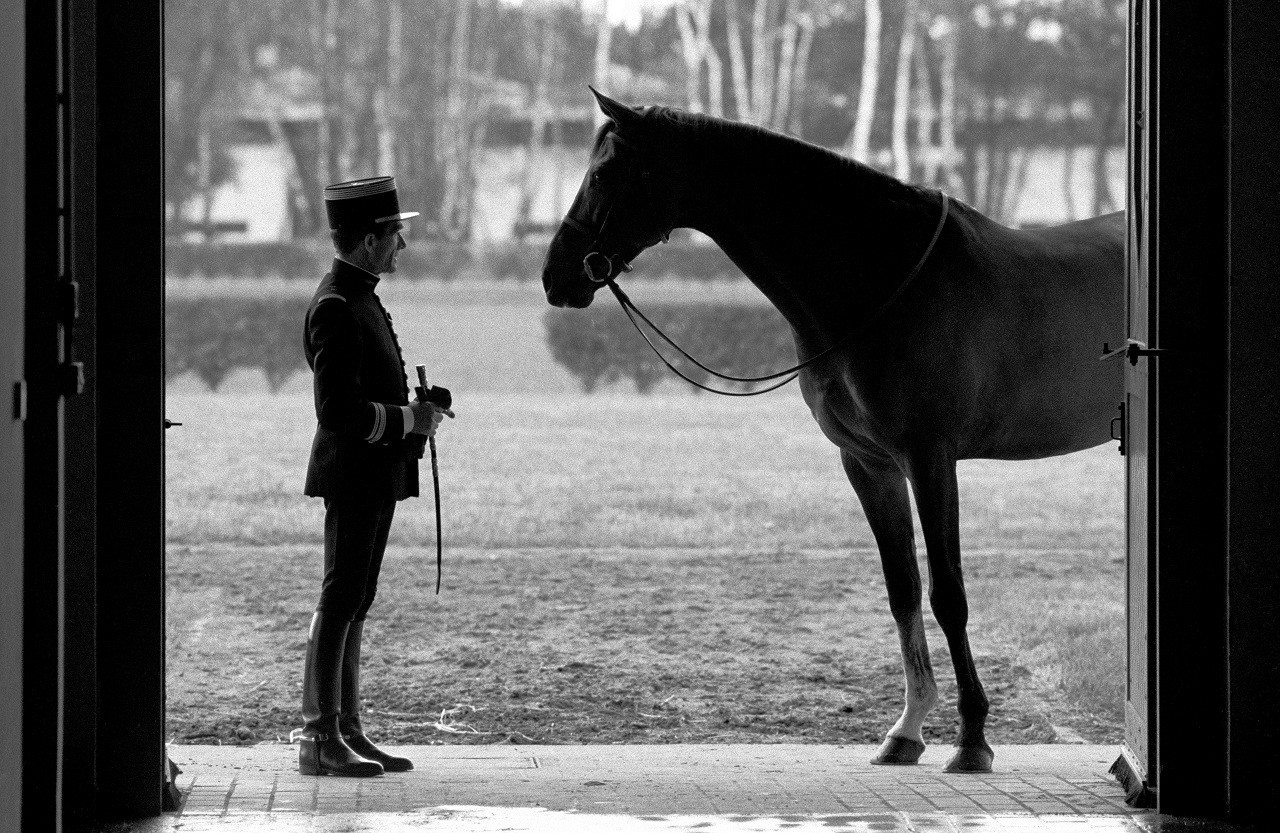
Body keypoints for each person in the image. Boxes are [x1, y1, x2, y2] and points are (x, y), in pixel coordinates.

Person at [297, 176, 449, 777]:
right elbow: (335, 413)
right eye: (393, 234)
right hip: (354, 471)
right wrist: (406, 418)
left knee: (357, 597)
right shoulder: (337, 304)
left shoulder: (356, 295)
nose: (401, 245)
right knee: (341, 596)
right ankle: (318, 735)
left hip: (373, 470)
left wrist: (414, 415)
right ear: (366, 241)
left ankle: (345, 728)